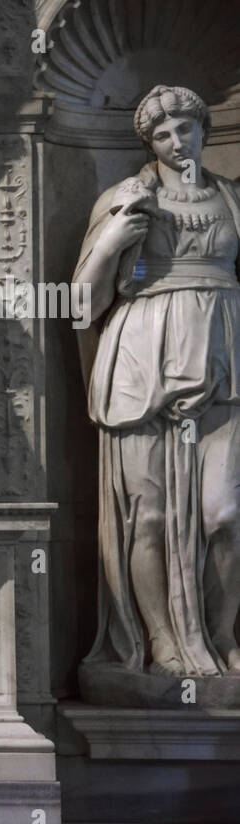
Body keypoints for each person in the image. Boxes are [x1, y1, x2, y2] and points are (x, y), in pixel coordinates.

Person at [75, 85, 240, 677]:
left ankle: (222, 639)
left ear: (204, 131)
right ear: (148, 142)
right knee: (146, 517)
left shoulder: (231, 197)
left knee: (224, 515)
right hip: (141, 360)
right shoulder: (127, 197)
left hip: (224, 364)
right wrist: (114, 241)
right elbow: (81, 303)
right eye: (162, 134)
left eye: (185, 130)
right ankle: (162, 640)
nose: (176, 142)